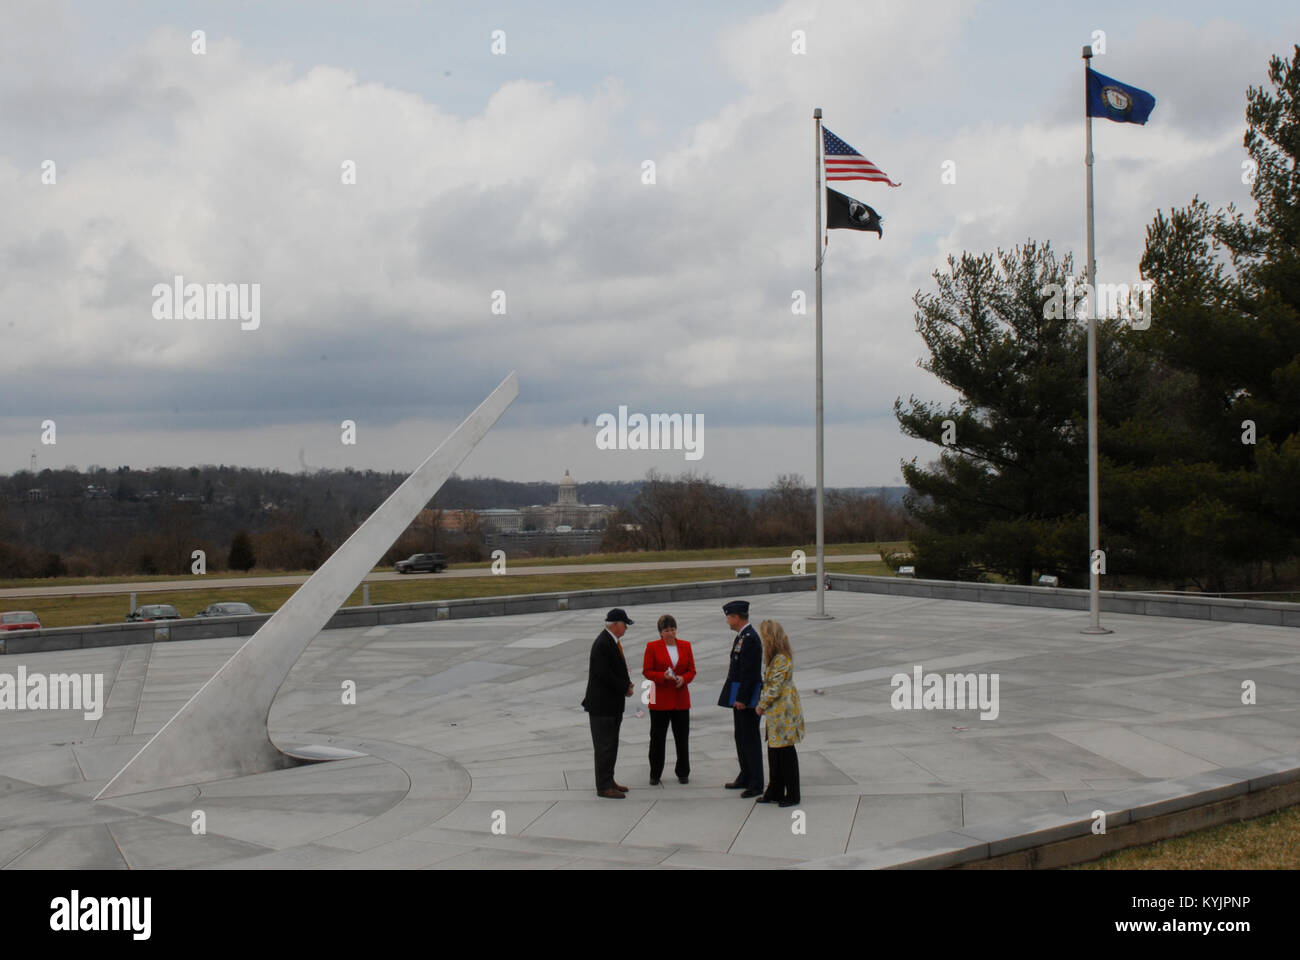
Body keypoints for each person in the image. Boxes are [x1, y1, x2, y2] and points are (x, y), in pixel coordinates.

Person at [581, 608, 634, 799]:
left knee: (611, 745)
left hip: (611, 705)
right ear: (615, 624)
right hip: (602, 706)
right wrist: (624, 687)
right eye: (624, 624)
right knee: (604, 746)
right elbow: (604, 675)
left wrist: (626, 685)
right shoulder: (603, 643)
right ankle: (603, 786)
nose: (626, 628)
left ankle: (609, 780)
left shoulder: (611, 641)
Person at [754, 619, 804, 807]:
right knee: (774, 751)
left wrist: (761, 705)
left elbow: (774, 686)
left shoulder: (781, 658)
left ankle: (792, 793)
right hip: (777, 711)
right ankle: (775, 789)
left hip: (783, 711)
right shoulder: (777, 657)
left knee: (785, 752)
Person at [717, 599, 764, 798]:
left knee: (750, 739)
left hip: (746, 698)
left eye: (729, 617)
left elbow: (750, 673)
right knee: (741, 738)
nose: (728, 621)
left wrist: (742, 699)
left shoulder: (750, 638)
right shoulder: (742, 636)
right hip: (739, 695)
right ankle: (745, 775)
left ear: (736, 617)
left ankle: (756, 782)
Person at [642, 614, 696, 785]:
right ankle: (655, 773)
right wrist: (662, 676)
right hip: (660, 698)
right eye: (666, 630)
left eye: (672, 629)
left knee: (682, 738)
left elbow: (692, 670)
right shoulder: (652, 647)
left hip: (680, 699)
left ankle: (683, 772)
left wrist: (684, 679)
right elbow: (647, 671)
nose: (670, 633)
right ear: (660, 632)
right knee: (657, 738)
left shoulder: (685, 645)